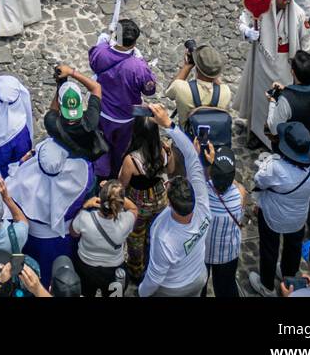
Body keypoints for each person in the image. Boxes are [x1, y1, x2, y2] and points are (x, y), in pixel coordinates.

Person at [136, 103, 212, 298]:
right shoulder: (203, 204)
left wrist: (141, 293)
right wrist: (168, 125)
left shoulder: (163, 236)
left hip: (173, 288)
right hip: (198, 277)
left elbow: (154, 277)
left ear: (169, 203)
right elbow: (192, 157)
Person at [5, 135, 94, 281]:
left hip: (29, 236)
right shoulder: (77, 184)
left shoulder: (24, 177)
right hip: (57, 242)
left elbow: (14, 188)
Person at [248, 121, 310, 297]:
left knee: (269, 249)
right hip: (298, 218)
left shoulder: (275, 167)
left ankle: (266, 285)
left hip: (273, 216)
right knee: (293, 247)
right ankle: (288, 276)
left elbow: (259, 181)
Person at [236, 0, 310, 148]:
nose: (286, 0)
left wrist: (301, 63)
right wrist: (247, 31)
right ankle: (255, 130)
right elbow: (243, 18)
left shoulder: (298, 14)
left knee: (278, 103)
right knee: (259, 98)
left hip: (285, 65)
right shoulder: (260, 8)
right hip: (261, 61)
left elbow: (305, 39)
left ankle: (274, 135)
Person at [267, 50, 310, 240]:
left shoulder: (286, 100)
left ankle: (266, 209)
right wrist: (286, 89)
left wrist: (273, 102)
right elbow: (306, 99)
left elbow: (274, 126)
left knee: (278, 179)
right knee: (309, 184)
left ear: (293, 72)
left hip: (290, 148)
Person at [88, 19, 157, 175]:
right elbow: (149, 91)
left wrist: (103, 44)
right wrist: (142, 62)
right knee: (121, 147)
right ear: (134, 42)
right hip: (126, 117)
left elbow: (93, 63)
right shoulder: (139, 67)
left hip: (103, 111)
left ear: (116, 37)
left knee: (100, 143)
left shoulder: (101, 52)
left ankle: (99, 173)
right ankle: (117, 171)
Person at [70, 179, 136, 297]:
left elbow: (73, 232)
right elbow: (134, 209)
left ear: (100, 198)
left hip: (86, 265)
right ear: (120, 203)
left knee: (86, 293)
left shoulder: (84, 217)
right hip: (113, 269)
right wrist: (115, 195)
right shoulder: (126, 221)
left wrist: (85, 206)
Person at [202, 147, 245, 298]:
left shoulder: (202, 193)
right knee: (226, 289)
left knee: (199, 287)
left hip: (203, 253)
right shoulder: (239, 195)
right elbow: (237, 185)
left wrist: (213, 165)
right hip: (227, 255)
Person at [165, 43, 232, 129]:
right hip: (214, 137)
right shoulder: (226, 91)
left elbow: (168, 92)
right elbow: (217, 83)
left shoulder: (180, 87)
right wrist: (212, 72)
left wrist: (187, 66)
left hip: (187, 136)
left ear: (197, 68)